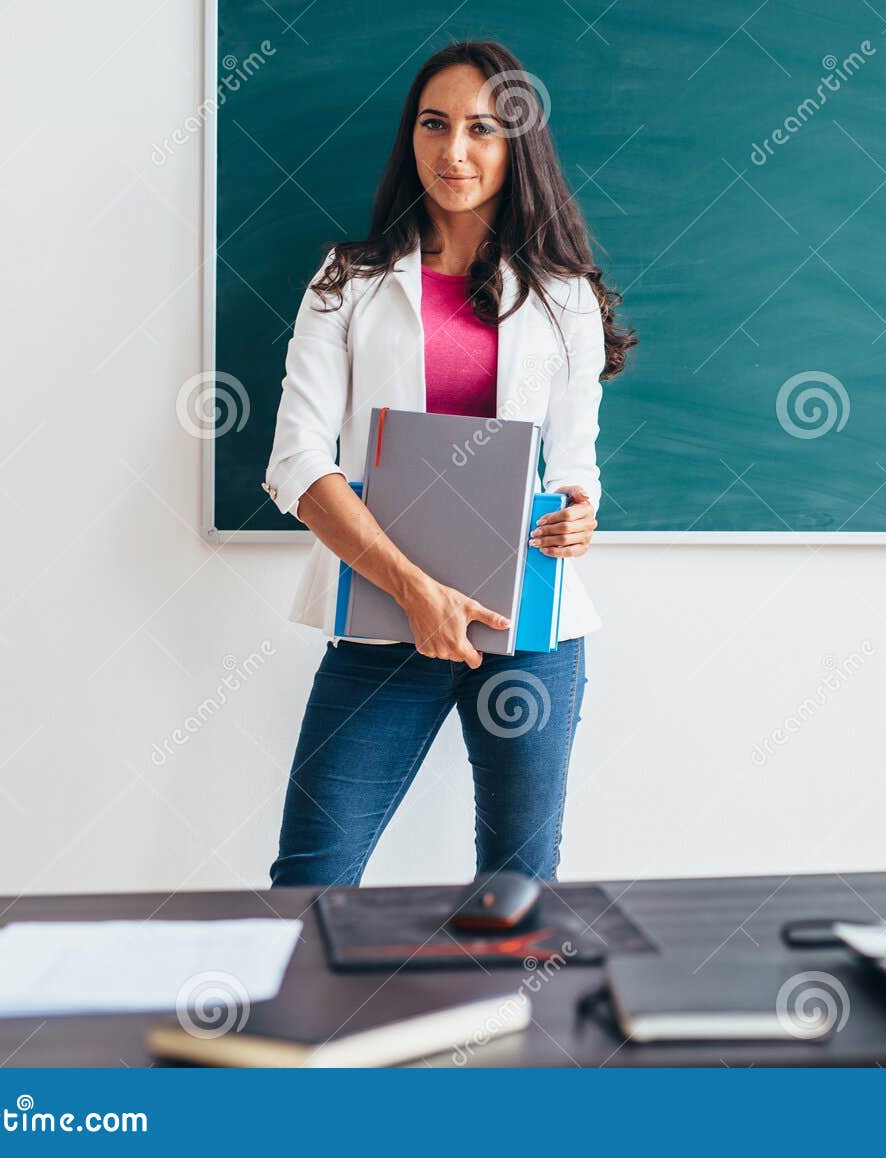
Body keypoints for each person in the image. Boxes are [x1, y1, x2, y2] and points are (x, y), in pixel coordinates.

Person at [260, 40, 636, 887]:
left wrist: (579, 510)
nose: (454, 151)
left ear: (517, 146)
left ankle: (497, 989)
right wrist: (415, 591)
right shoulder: (347, 281)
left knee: (518, 889)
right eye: (435, 125)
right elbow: (296, 463)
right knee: (311, 882)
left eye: (481, 129)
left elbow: (574, 463)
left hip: (526, 625)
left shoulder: (564, 294)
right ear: (412, 136)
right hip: (382, 617)